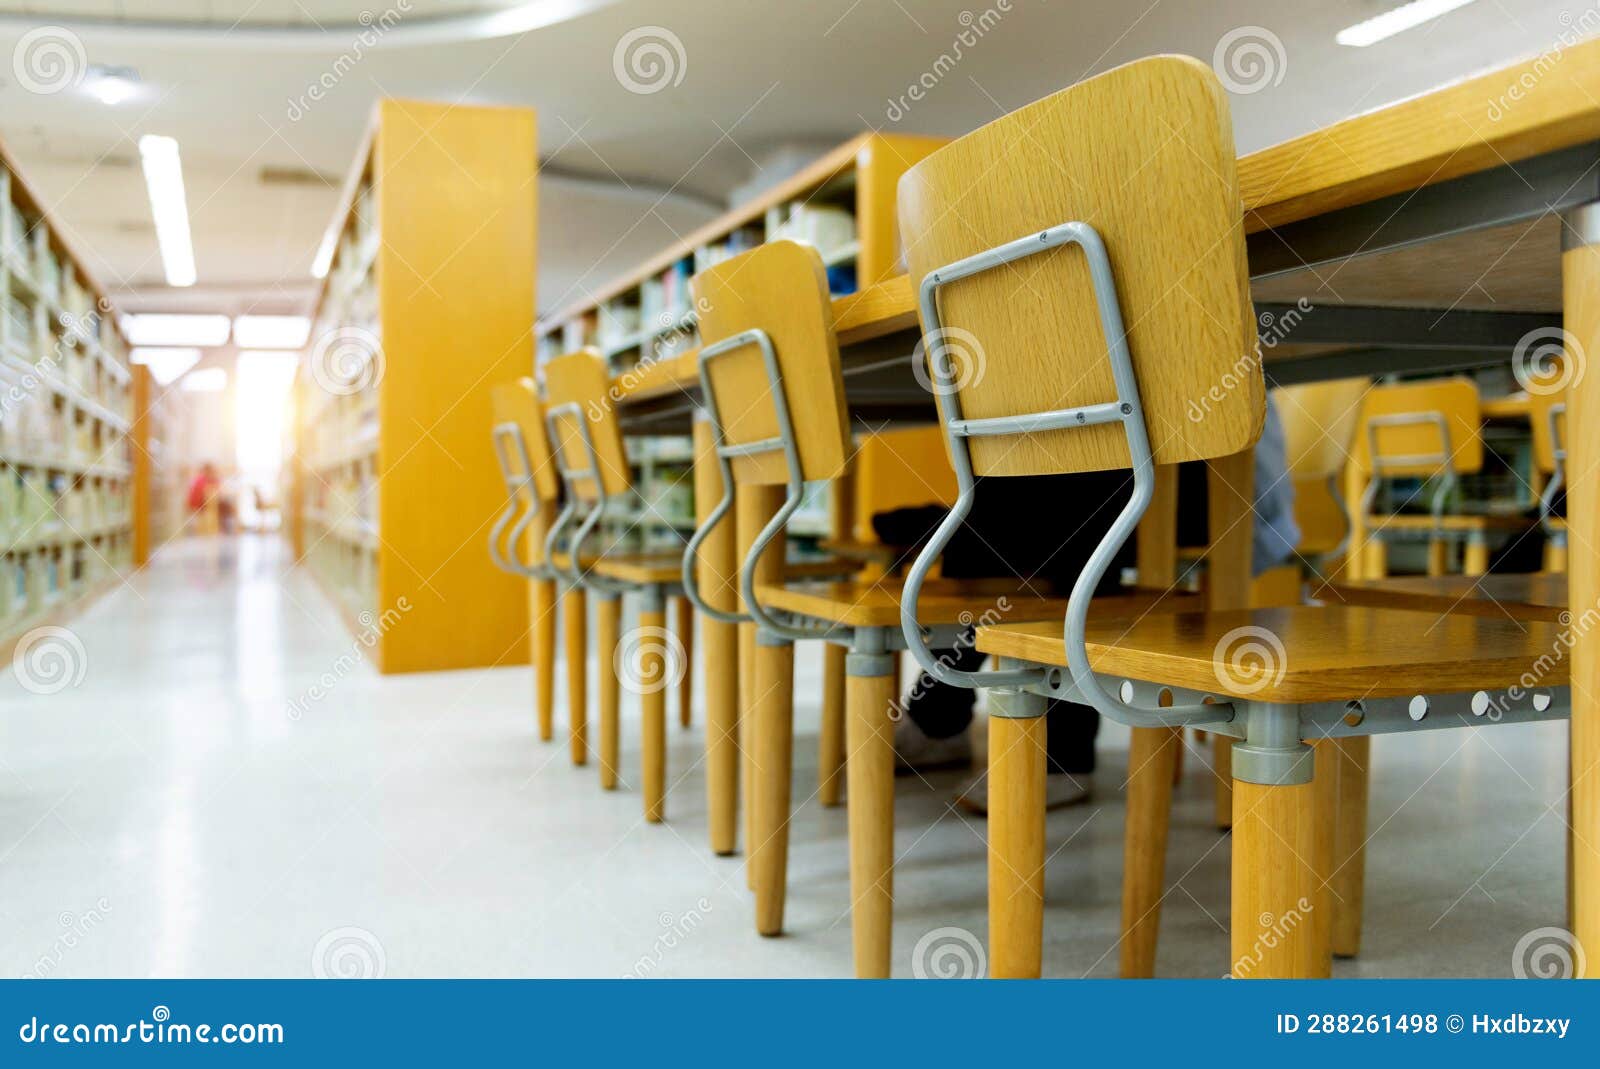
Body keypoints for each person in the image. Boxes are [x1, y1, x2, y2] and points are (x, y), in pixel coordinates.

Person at [885, 398, 1300, 814]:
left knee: (1064, 481)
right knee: (1008, 481)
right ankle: (961, 725)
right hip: (1103, 467)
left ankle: (1045, 749)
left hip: (1210, 479)